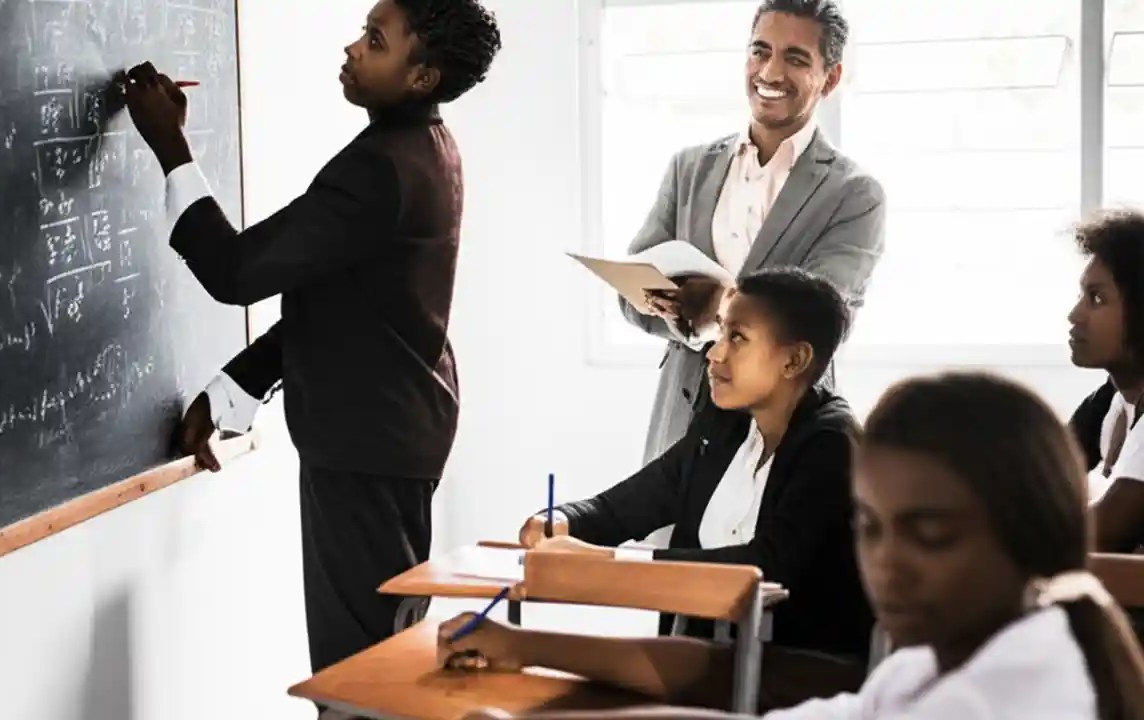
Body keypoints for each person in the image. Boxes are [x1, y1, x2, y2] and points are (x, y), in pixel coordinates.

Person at [119, 0, 501, 673]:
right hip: (391, 433)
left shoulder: (383, 166)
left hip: (368, 446)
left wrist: (171, 146)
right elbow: (343, 302)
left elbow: (235, 271)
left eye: (376, 41)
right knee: (376, 652)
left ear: (422, 77)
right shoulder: (424, 147)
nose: (353, 48)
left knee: (361, 671)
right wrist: (236, 386)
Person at [445, 373, 1144, 720]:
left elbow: (744, 603)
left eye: (930, 534)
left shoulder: (995, 696)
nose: (888, 562)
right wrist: (524, 648)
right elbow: (627, 506)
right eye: (870, 527)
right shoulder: (926, 668)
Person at [521, 267, 874, 707]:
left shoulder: (832, 445)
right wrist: (560, 522)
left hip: (799, 680)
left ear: (794, 360)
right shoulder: (725, 425)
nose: (714, 354)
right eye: (721, 331)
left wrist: (607, 564)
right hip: (707, 663)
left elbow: (766, 566)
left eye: (738, 338)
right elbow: (632, 504)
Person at [624, 0, 885, 466]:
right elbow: (630, 295)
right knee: (667, 538)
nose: (770, 71)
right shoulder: (689, 168)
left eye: (796, 58)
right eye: (759, 51)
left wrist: (717, 305)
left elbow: (823, 317)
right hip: (682, 422)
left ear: (831, 77)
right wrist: (675, 310)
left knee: (778, 541)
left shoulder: (854, 193)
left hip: (787, 430)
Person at [1067, 209, 1144, 553]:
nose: (1075, 314)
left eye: (1096, 298)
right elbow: (1033, 482)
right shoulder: (1107, 402)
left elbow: (1102, 533)